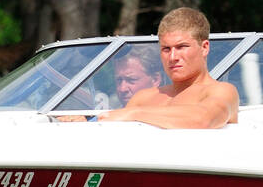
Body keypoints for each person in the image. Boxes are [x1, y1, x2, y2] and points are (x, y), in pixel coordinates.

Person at [100, 8, 239, 128]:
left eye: (181, 47)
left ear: (204, 48)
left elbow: (203, 120)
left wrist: (136, 113)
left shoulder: (222, 91)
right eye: (166, 49)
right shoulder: (143, 98)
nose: (172, 57)